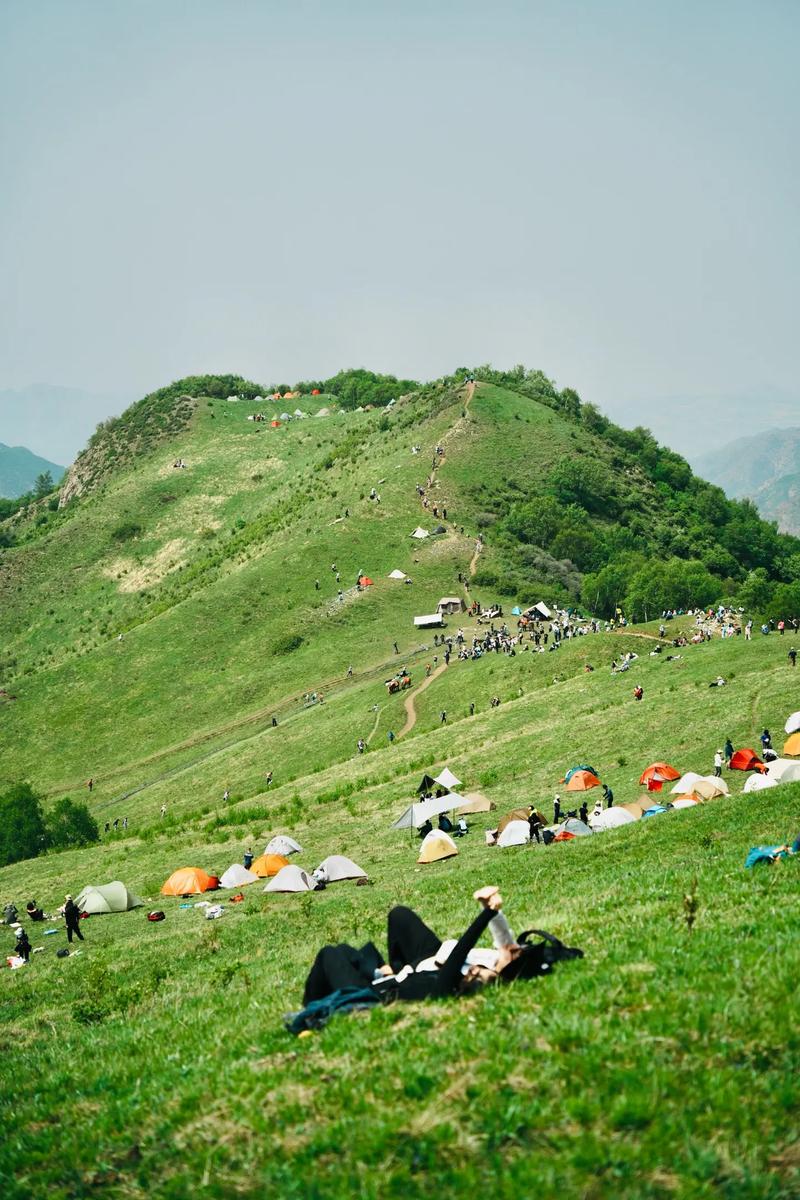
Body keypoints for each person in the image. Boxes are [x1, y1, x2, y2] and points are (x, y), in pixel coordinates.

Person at [301, 887, 571, 1007]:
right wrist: (492, 910)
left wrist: (485, 913)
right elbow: (505, 940)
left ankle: (311, 1009)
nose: (513, 950)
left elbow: (458, 957)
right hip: (426, 958)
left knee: (333, 954)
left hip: (374, 992)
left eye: (514, 955)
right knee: (399, 915)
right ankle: (387, 969)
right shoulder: (496, 957)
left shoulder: (451, 984)